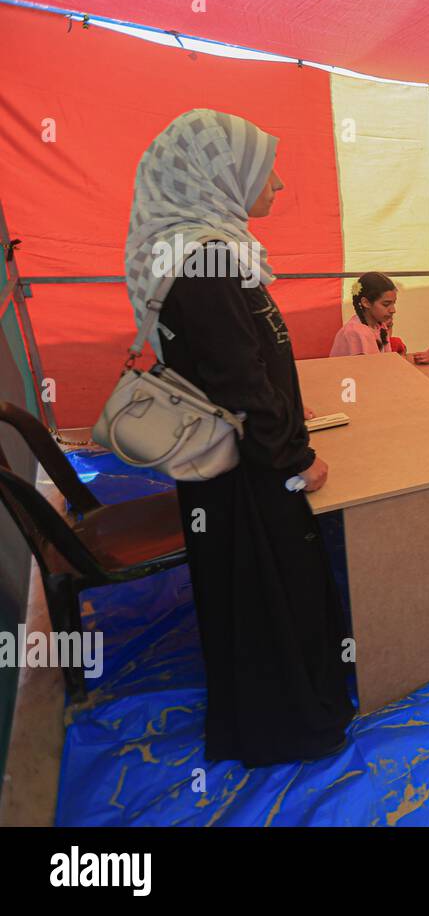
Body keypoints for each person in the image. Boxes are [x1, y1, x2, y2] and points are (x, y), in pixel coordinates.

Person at [125, 109, 352, 766]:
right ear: (222, 175)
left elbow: (246, 362)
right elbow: (238, 381)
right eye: (266, 170)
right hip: (246, 474)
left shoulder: (201, 248)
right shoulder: (204, 258)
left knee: (259, 592)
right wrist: (294, 458)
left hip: (236, 461)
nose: (278, 185)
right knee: (272, 591)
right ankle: (285, 727)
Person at [331, 271, 397, 356]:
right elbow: (370, 368)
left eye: (393, 303)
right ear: (366, 302)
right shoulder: (355, 332)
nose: (393, 310)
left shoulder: (380, 326)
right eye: (386, 304)